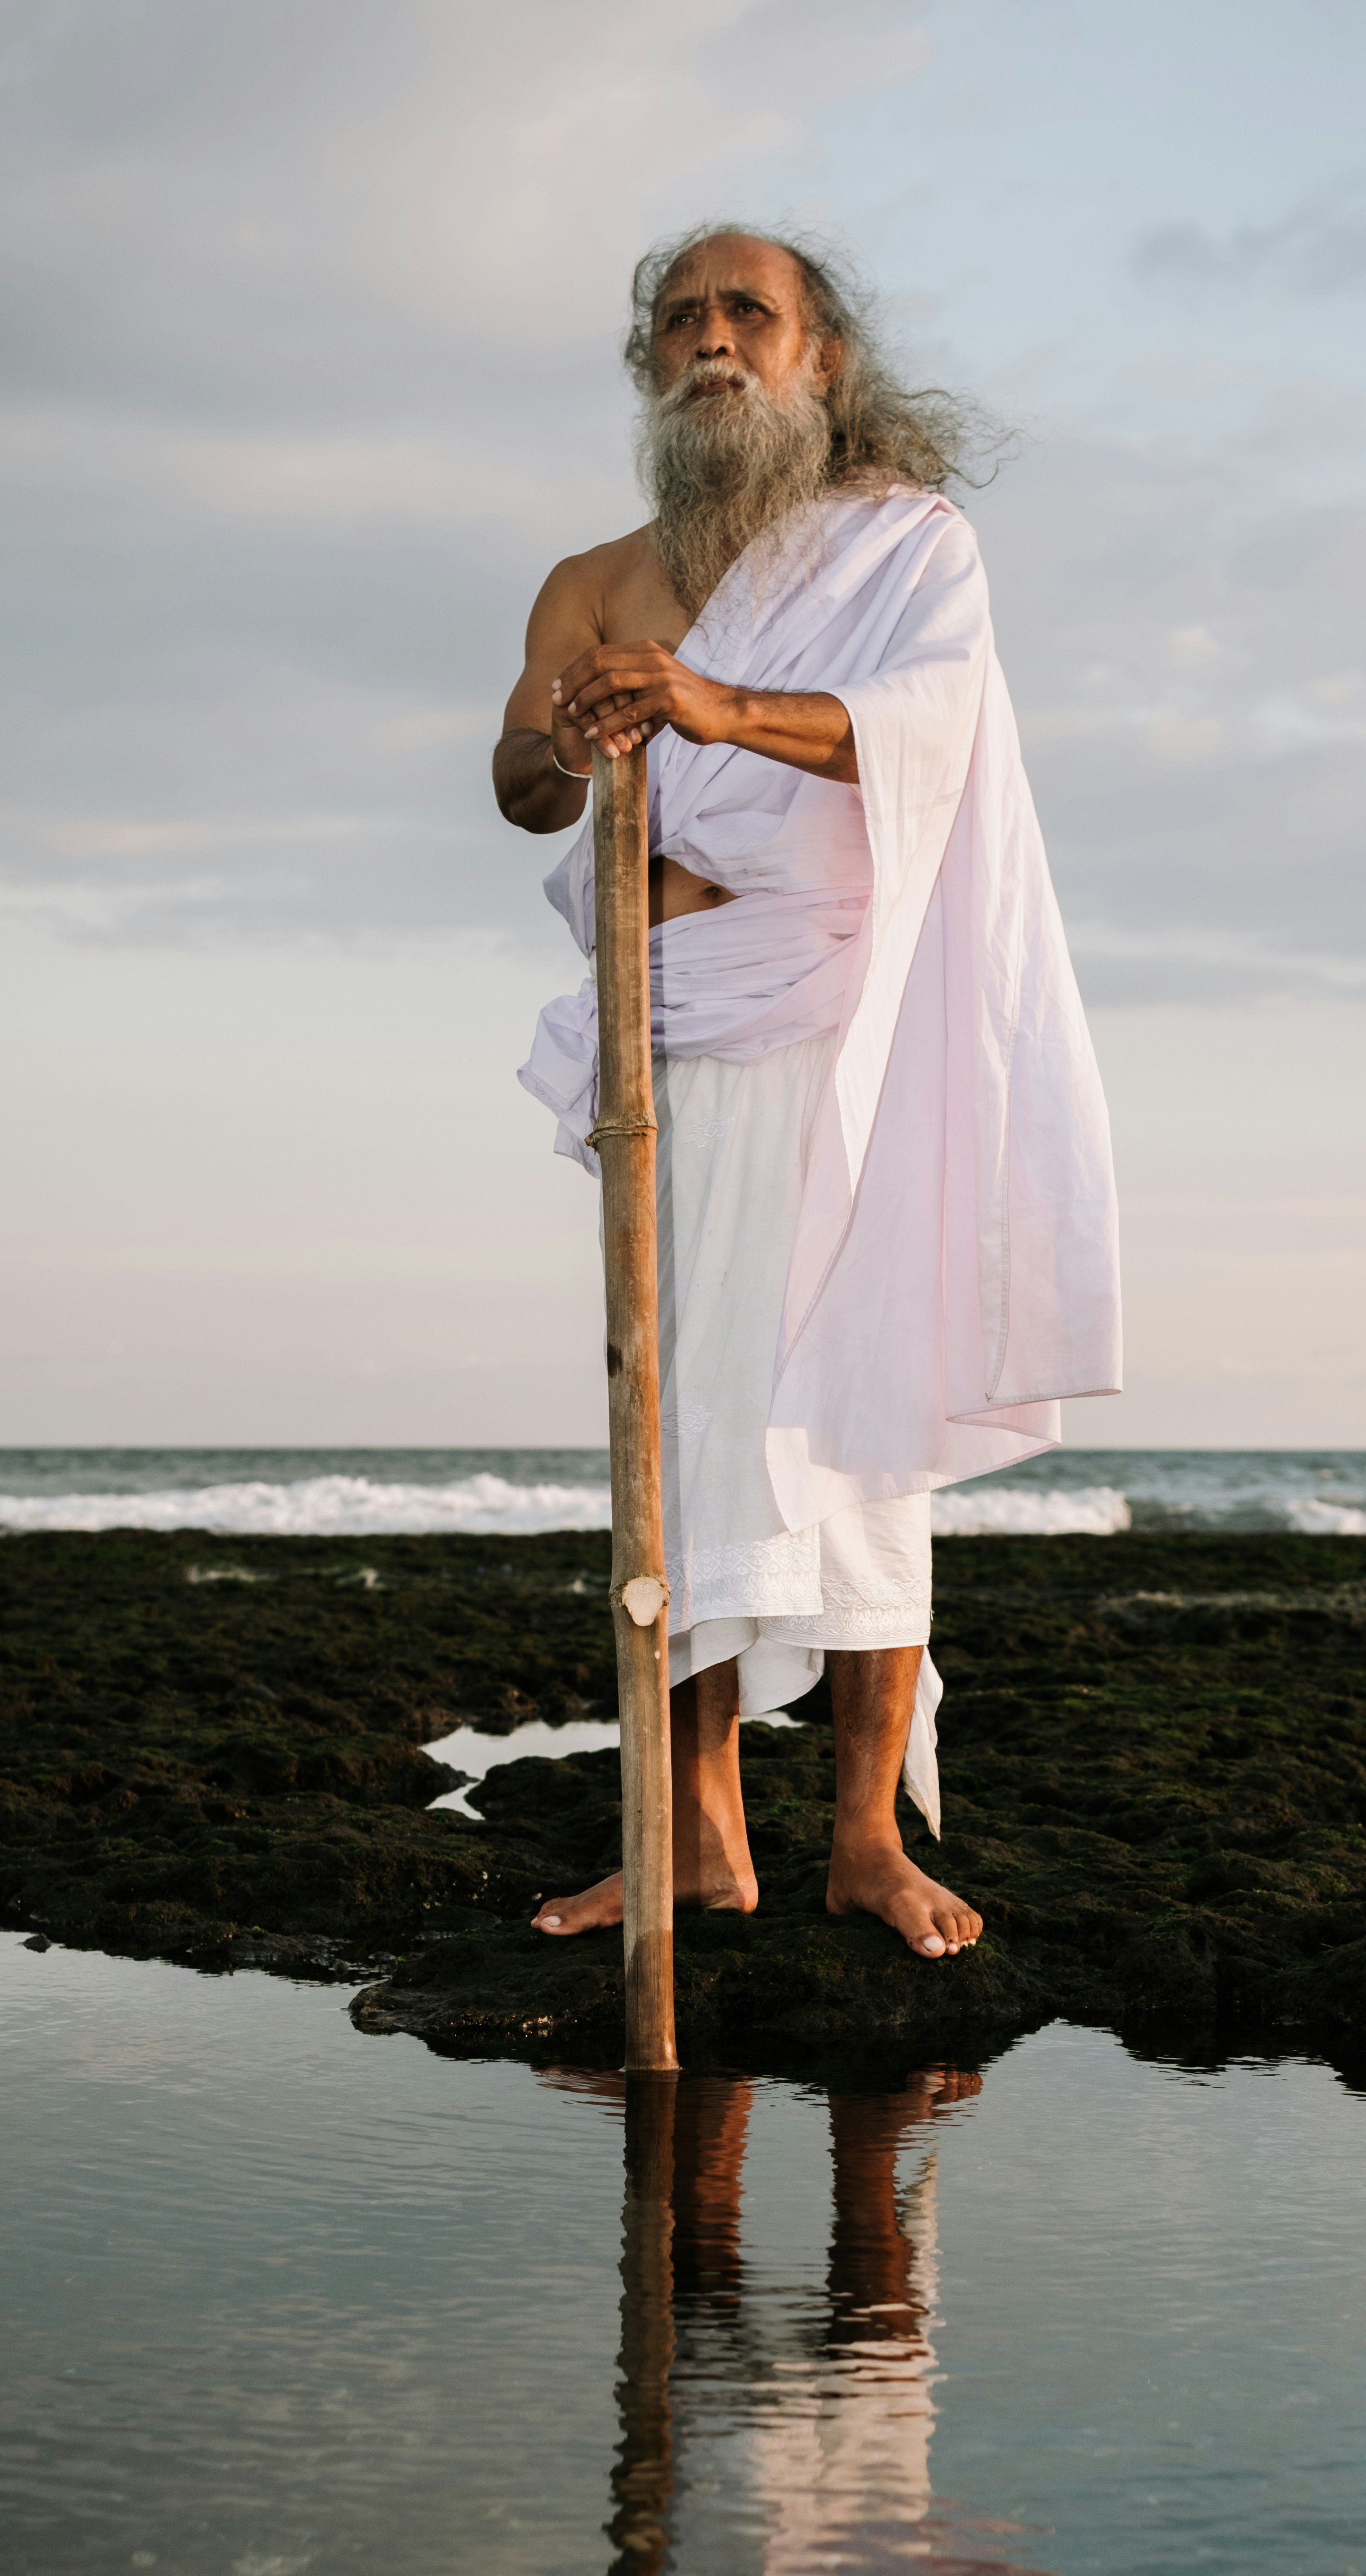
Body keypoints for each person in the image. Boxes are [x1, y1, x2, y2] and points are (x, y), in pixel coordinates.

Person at [497, 226, 1120, 1963]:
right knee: (677, 1440)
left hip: (855, 1033)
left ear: (819, 360)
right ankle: (692, 1842)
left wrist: (705, 701)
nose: (712, 340)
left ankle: (860, 1839)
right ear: (650, 366)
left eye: (747, 316)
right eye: (682, 319)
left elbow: (922, 728)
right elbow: (516, 787)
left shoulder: (907, 547)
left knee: (860, 1427)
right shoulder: (591, 580)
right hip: (673, 1043)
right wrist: (576, 736)